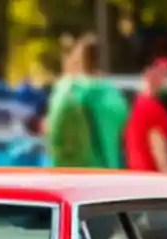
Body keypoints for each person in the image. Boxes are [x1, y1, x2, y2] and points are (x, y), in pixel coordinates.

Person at [45, 36, 129, 169]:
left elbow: (52, 134)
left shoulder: (67, 92)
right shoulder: (113, 95)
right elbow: (124, 132)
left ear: (78, 59)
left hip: (72, 174)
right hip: (108, 172)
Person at [124, 57, 167, 174]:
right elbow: (160, 153)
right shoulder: (154, 109)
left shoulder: (136, 104)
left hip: (135, 175)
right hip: (152, 178)